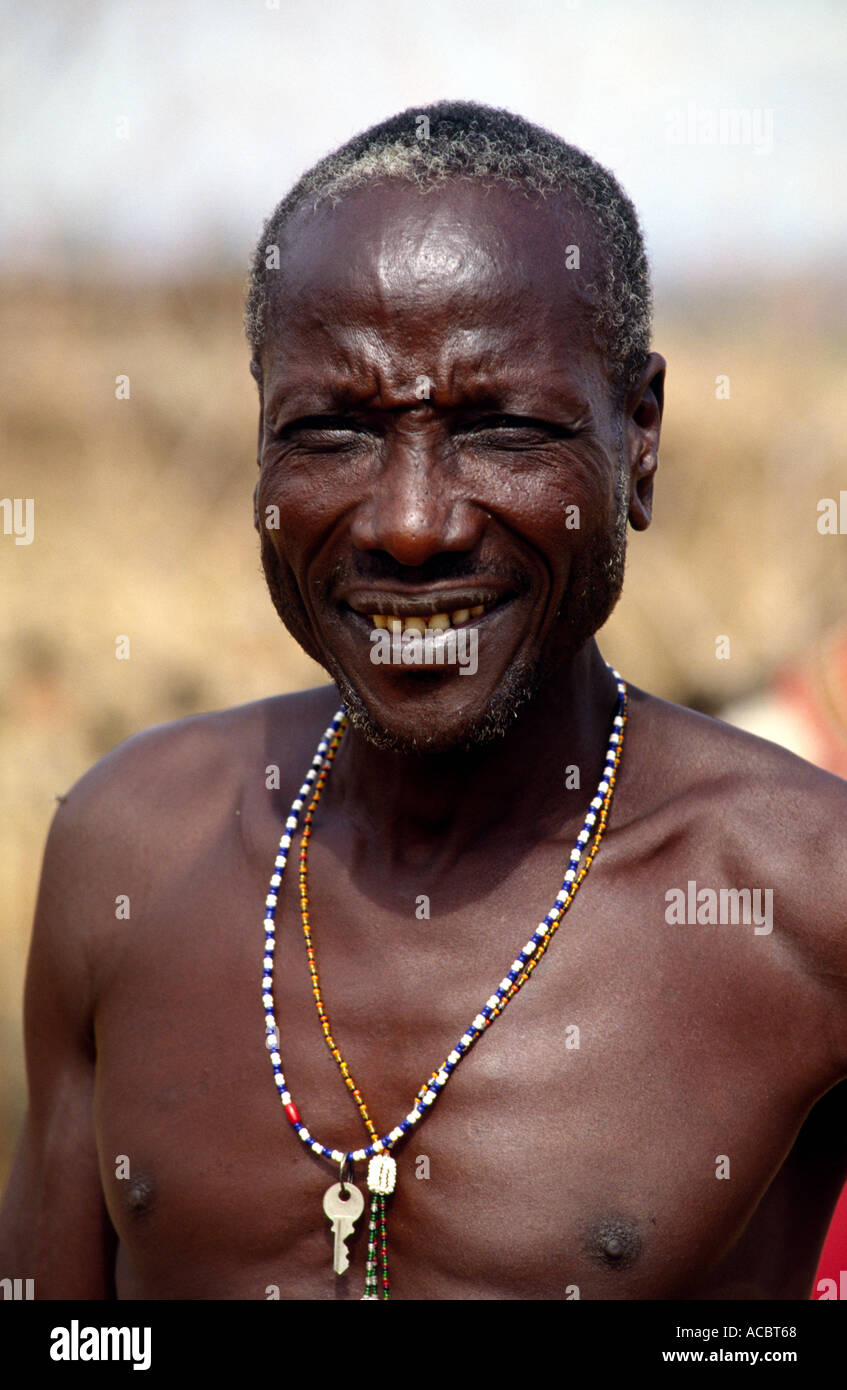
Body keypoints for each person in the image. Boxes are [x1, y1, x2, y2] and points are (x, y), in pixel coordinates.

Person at [1, 100, 845, 1301]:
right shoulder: (124, 845)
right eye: (331, 429)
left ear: (639, 438)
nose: (408, 524)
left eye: (499, 426)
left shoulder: (803, 893)